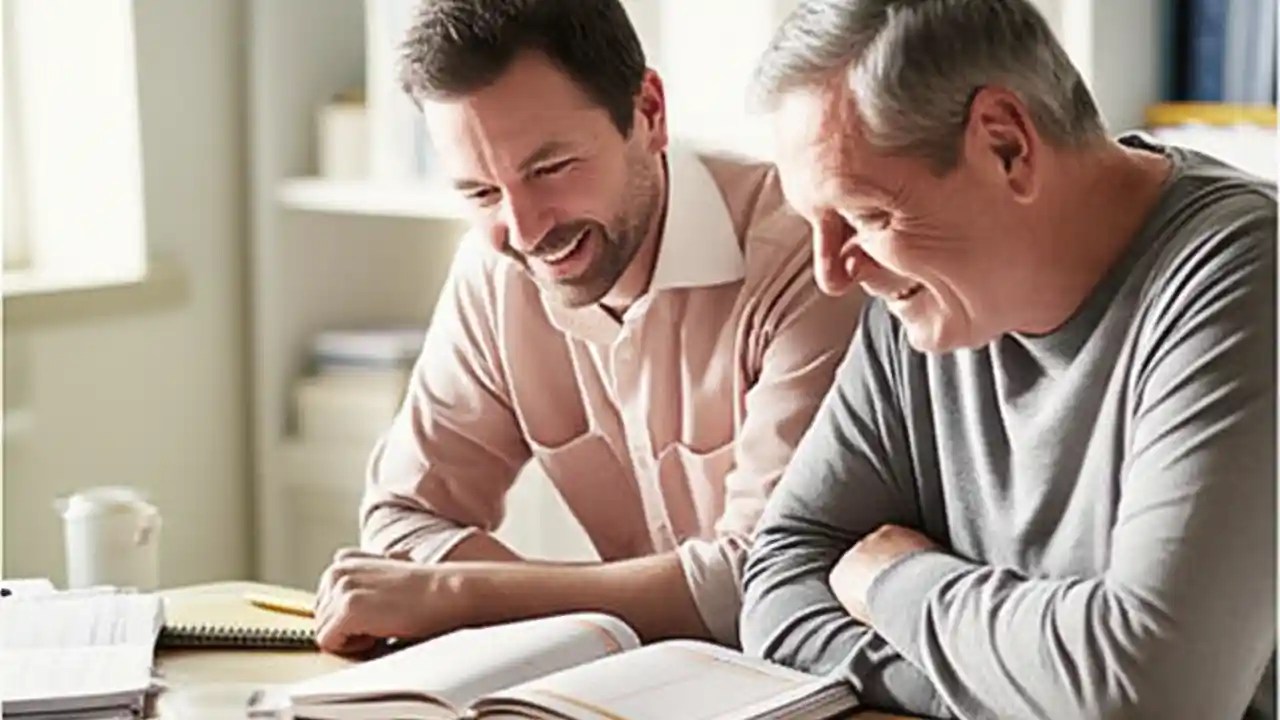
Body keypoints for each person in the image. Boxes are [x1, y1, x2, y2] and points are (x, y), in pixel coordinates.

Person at [738, 0, 1277, 718]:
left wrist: (896, 582)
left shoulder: (1241, 277)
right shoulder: (920, 311)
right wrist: (1021, 689)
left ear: (1006, 146)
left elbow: (1153, 695)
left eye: (865, 217)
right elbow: (778, 585)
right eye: (815, 225)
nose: (832, 272)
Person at [313, 0, 863, 655]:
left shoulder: (810, 254)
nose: (524, 230)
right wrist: (563, 609)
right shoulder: (495, 273)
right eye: (480, 193)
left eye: (550, 169)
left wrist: (459, 596)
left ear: (650, 114)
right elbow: (403, 516)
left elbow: (761, 579)